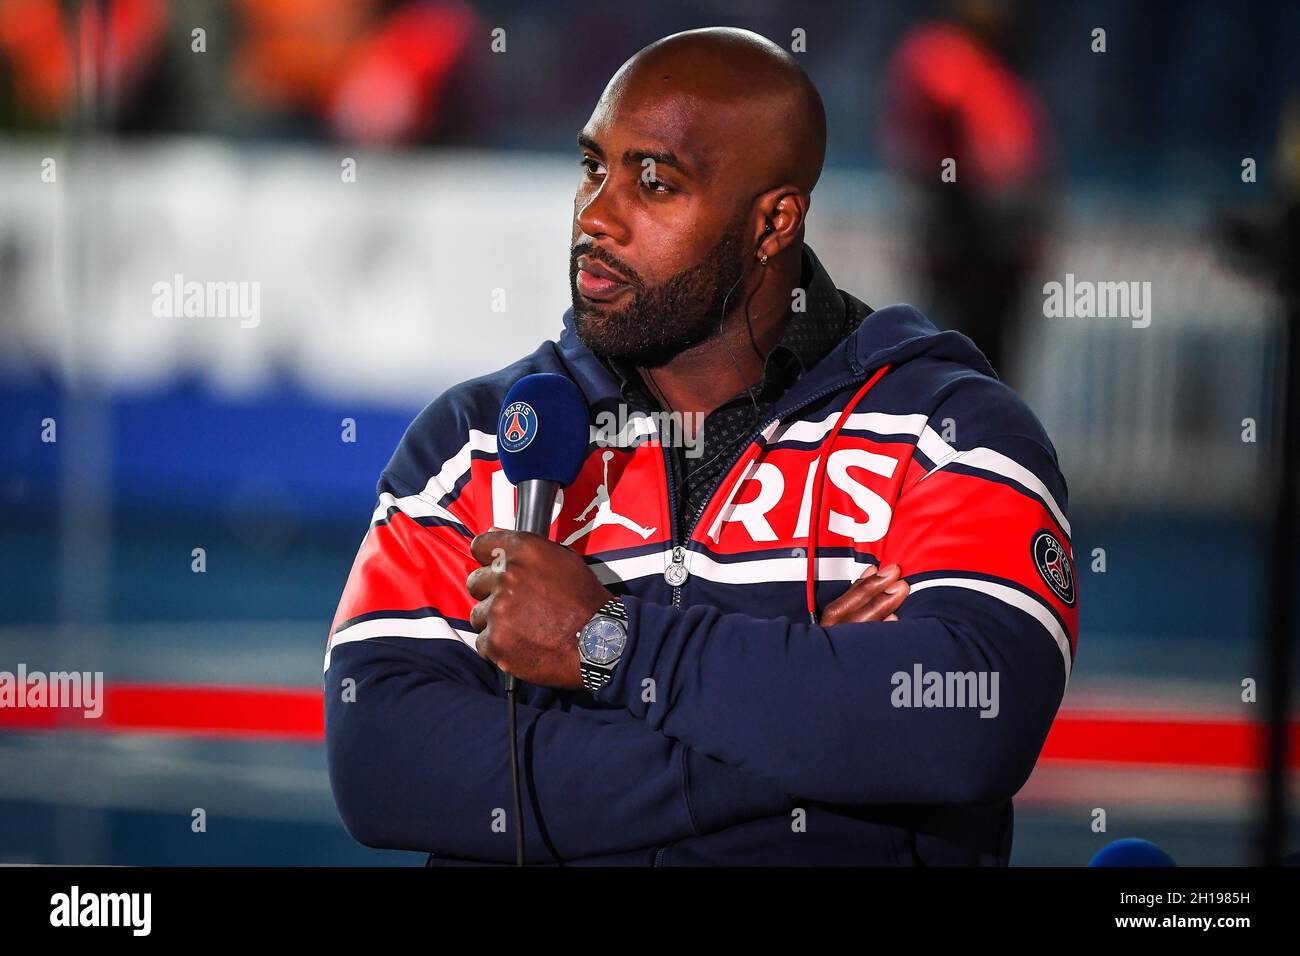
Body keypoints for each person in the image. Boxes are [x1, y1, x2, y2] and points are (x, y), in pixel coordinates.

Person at [324, 27, 1078, 866]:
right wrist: (804, 739)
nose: (596, 215)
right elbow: (380, 763)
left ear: (772, 223)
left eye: (654, 181)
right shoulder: (477, 439)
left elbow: (970, 719)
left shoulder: (947, 430)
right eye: (592, 167)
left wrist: (606, 642)